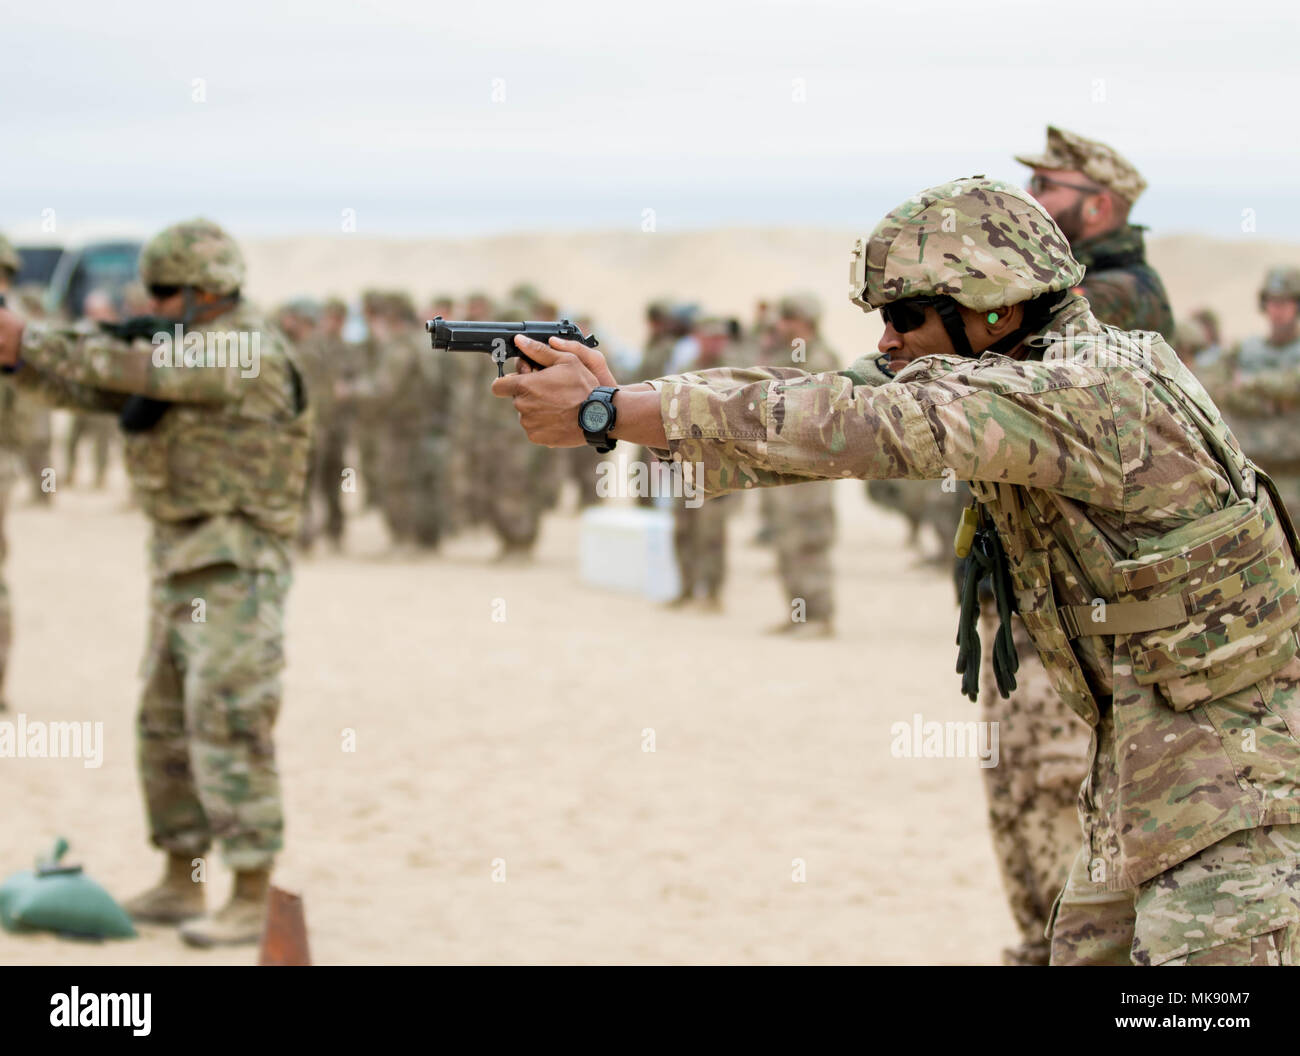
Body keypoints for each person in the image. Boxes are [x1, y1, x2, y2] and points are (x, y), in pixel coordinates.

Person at [494, 176, 1300, 966]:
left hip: (1233, 787)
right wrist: (619, 402)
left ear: (998, 309)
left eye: (907, 318)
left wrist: (607, 415)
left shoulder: (1090, 386)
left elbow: (876, 424)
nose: (887, 341)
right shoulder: (1010, 363)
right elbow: (821, 402)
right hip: (1145, 772)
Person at [0, 218, 312, 947]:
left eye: (165, 291)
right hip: (179, 561)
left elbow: (142, 370)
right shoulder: (185, 346)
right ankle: (182, 878)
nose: (155, 302)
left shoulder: (246, 349)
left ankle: (250, 889)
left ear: (207, 290)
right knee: (164, 727)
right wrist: (24, 360)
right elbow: (99, 380)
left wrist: (29, 339)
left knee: (229, 722)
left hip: (238, 564)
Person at [1017, 124, 1175, 339]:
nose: (1028, 195)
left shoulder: (1116, 293)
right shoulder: (1077, 272)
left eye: (1043, 185)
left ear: (1096, 208)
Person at [758, 294, 838, 637]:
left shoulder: (820, 359)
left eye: (789, 320)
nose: (782, 326)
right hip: (784, 463)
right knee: (786, 540)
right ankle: (798, 613)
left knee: (808, 540)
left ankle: (819, 617)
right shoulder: (783, 355)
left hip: (810, 468)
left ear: (805, 322)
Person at [1200, 267, 1300, 518]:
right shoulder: (1246, 349)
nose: (1278, 310)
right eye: (1272, 302)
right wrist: (1270, 404)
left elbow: (1293, 385)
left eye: (1285, 302)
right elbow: (1213, 385)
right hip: (1252, 468)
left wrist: (1249, 383)